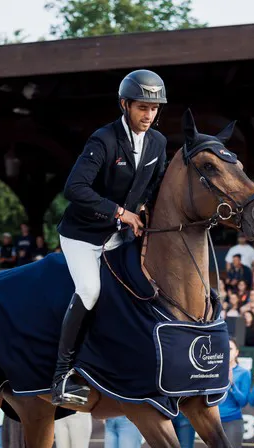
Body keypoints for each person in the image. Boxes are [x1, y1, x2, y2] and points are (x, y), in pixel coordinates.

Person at [51, 69, 168, 406]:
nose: (148, 116)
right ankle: (61, 376)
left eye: (154, 109)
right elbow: (74, 188)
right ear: (125, 105)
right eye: (142, 108)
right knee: (90, 290)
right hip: (82, 236)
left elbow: (155, 185)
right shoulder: (103, 140)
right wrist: (121, 212)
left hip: (118, 237)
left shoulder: (158, 143)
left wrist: (143, 209)